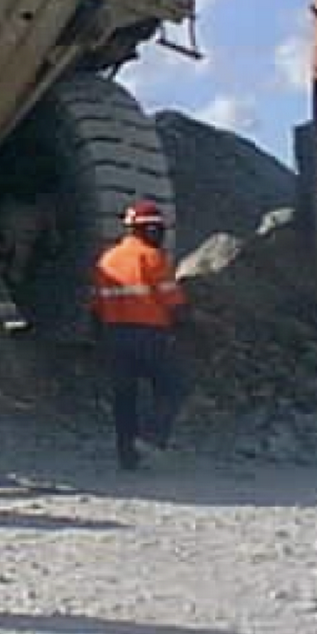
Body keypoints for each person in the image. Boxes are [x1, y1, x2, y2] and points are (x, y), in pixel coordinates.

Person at [89, 199, 189, 471]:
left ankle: (127, 457)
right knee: (173, 387)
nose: (160, 234)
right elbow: (174, 304)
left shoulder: (107, 260)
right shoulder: (152, 258)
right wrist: (185, 327)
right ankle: (152, 437)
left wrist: (101, 338)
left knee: (124, 397)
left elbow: (96, 307)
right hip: (149, 335)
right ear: (146, 230)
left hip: (114, 336)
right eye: (157, 229)